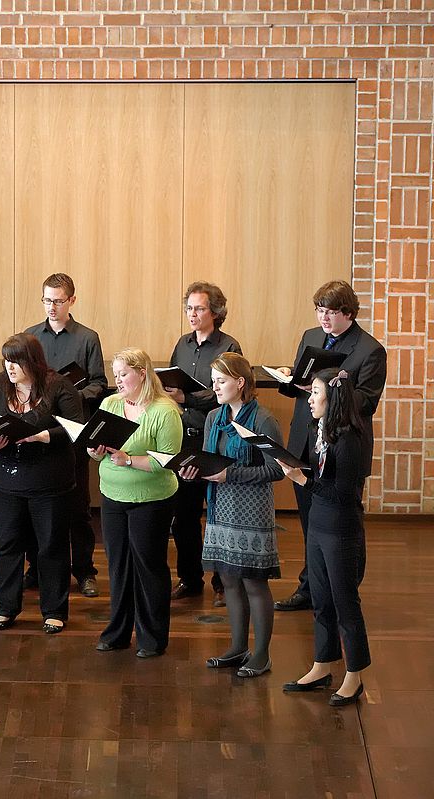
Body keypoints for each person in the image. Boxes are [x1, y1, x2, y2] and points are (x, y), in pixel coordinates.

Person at [274, 280, 386, 612]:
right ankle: (311, 588)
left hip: (343, 450)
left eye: (331, 312)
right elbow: (298, 387)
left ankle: (345, 589)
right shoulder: (311, 337)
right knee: (311, 522)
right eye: (319, 310)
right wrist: (290, 379)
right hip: (305, 442)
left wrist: (327, 390)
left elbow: (366, 403)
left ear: (349, 312)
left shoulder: (370, 350)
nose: (324, 318)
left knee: (343, 522)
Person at [0, 334, 84, 633]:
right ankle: (6, 607)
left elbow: (77, 429)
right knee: (8, 544)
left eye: (16, 361)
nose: (9, 367)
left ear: (32, 361)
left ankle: (54, 610)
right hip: (5, 479)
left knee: (51, 545)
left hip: (49, 481)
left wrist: (41, 435)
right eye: (7, 360)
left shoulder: (59, 385)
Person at [184, 353, 283, 678]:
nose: (215, 386)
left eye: (221, 380)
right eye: (213, 380)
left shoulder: (263, 420)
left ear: (240, 383)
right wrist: (193, 470)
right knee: (228, 579)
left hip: (252, 510)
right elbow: (210, 460)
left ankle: (262, 654)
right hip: (220, 506)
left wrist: (232, 475)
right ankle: (238, 647)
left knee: (254, 582)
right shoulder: (213, 416)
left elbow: (276, 470)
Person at [278, 368, 373, 706]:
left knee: (345, 602)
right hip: (318, 525)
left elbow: (344, 494)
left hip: (341, 530)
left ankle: (354, 675)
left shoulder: (349, 440)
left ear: (333, 401)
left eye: (316, 393)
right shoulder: (323, 431)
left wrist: (303, 481)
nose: (310, 399)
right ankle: (322, 665)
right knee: (320, 600)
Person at [90, 348, 183, 658]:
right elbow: (95, 447)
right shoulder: (110, 404)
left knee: (149, 566)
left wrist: (128, 460)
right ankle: (117, 633)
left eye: (124, 374)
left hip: (151, 499)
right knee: (117, 566)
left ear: (142, 373)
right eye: (115, 375)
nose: (118, 381)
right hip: (113, 495)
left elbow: (167, 460)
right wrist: (95, 451)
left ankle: (153, 637)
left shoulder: (164, 410)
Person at [25, 273, 106, 597]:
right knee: (35, 504)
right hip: (37, 428)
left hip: (72, 430)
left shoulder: (87, 338)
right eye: (47, 300)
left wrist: (70, 396)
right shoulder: (31, 337)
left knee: (77, 505)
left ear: (72, 300)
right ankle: (36, 567)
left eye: (58, 301)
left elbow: (99, 383)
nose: (52, 307)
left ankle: (84, 570)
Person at [166, 282, 242, 607]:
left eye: (198, 308)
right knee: (183, 515)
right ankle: (190, 578)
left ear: (215, 312)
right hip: (183, 438)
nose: (192, 314)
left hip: (214, 439)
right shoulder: (182, 345)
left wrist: (187, 398)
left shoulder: (229, 346)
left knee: (217, 513)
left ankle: (223, 583)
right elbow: (171, 381)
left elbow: (225, 393)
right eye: (189, 308)